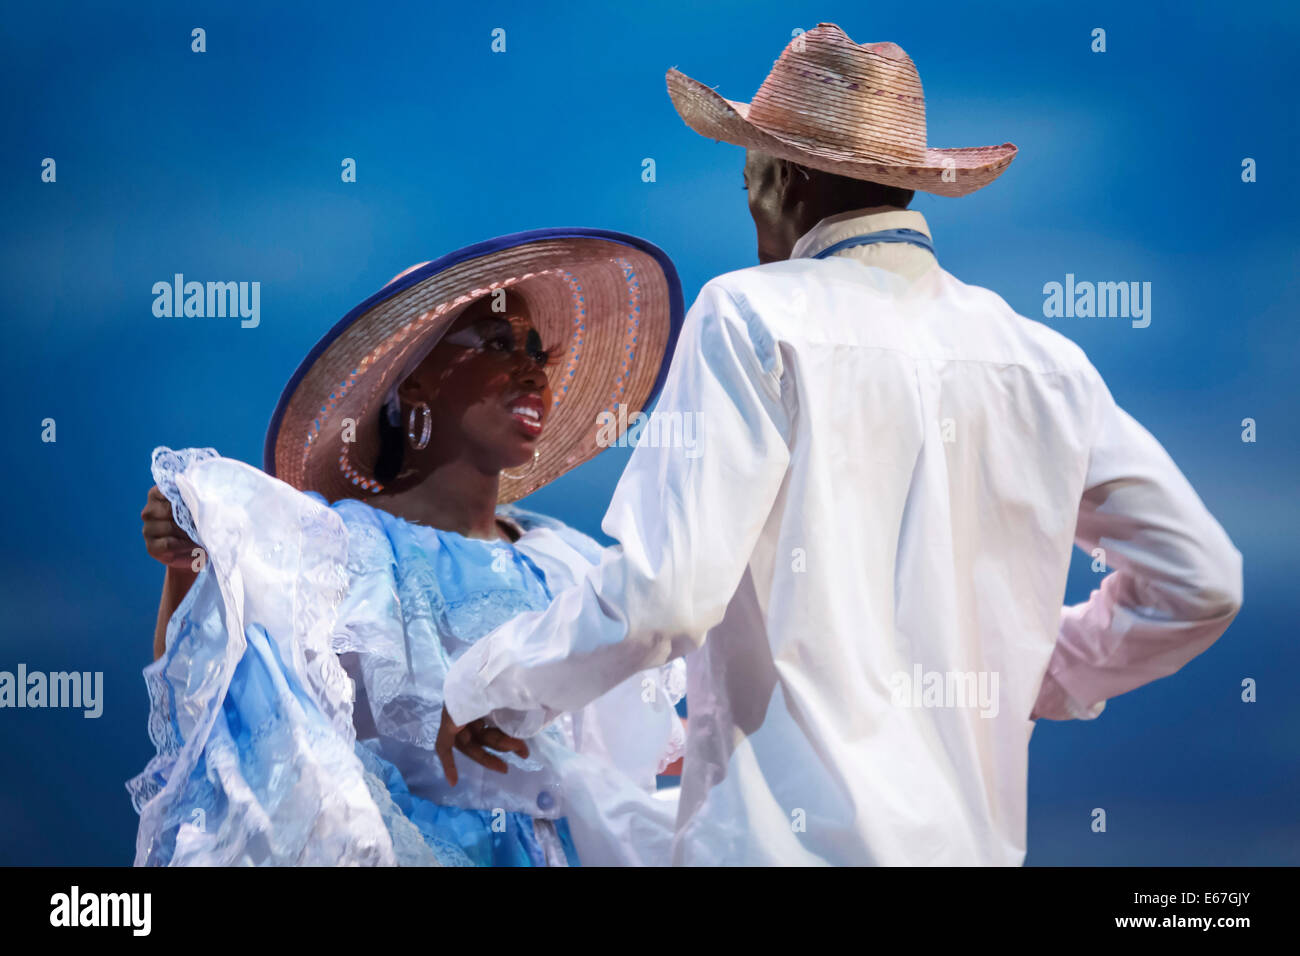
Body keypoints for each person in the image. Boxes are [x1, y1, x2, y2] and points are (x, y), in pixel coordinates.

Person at [436, 25, 1244, 865]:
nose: (747, 196)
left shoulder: (752, 316)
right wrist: (1045, 672)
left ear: (783, 175)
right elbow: (1201, 581)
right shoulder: (1046, 366)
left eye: (748, 168)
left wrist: (495, 683)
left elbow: (666, 596)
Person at [130, 228, 687, 866]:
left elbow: (640, 741)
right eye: (499, 343)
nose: (532, 368)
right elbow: (212, 689)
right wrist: (188, 562)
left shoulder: (567, 561)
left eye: (537, 350)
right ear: (414, 383)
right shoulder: (341, 545)